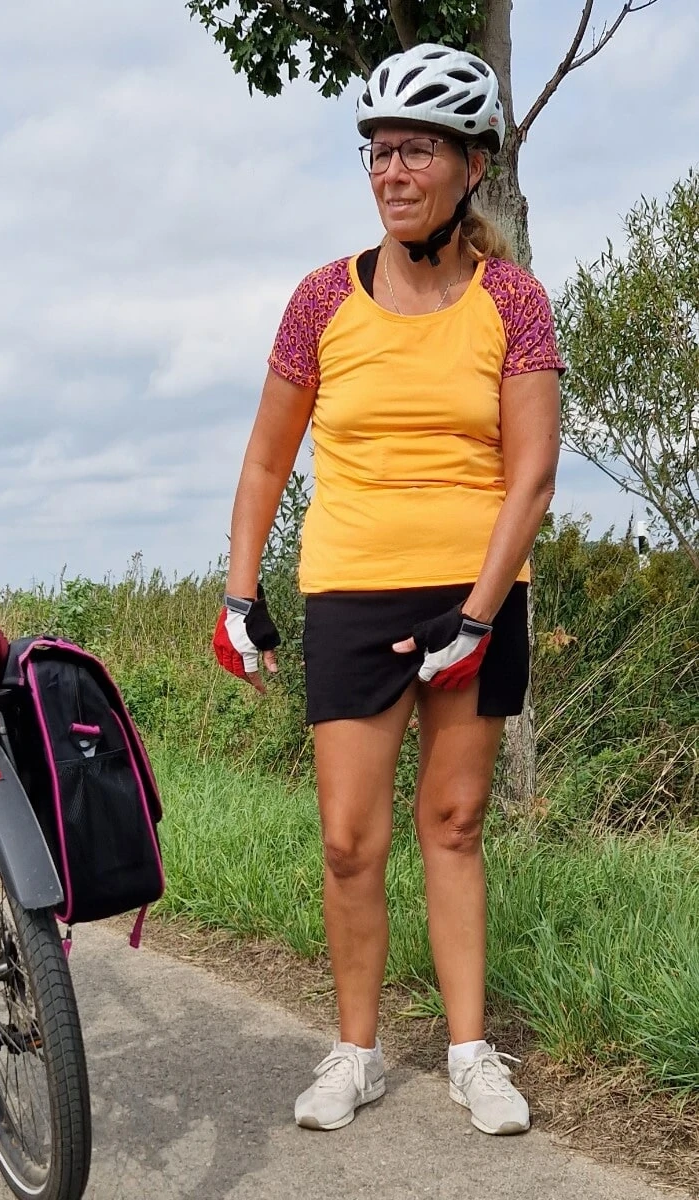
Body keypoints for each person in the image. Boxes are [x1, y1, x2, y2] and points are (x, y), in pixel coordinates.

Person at [212, 42, 564, 1136]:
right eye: (377, 150)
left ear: (471, 165)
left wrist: (479, 614)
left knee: (453, 823)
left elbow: (532, 474)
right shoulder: (322, 298)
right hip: (352, 592)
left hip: (475, 590)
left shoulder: (514, 299)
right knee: (348, 840)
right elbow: (266, 459)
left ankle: (469, 1054)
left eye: (416, 150)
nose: (391, 171)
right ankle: (356, 1053)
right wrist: (239, 592)